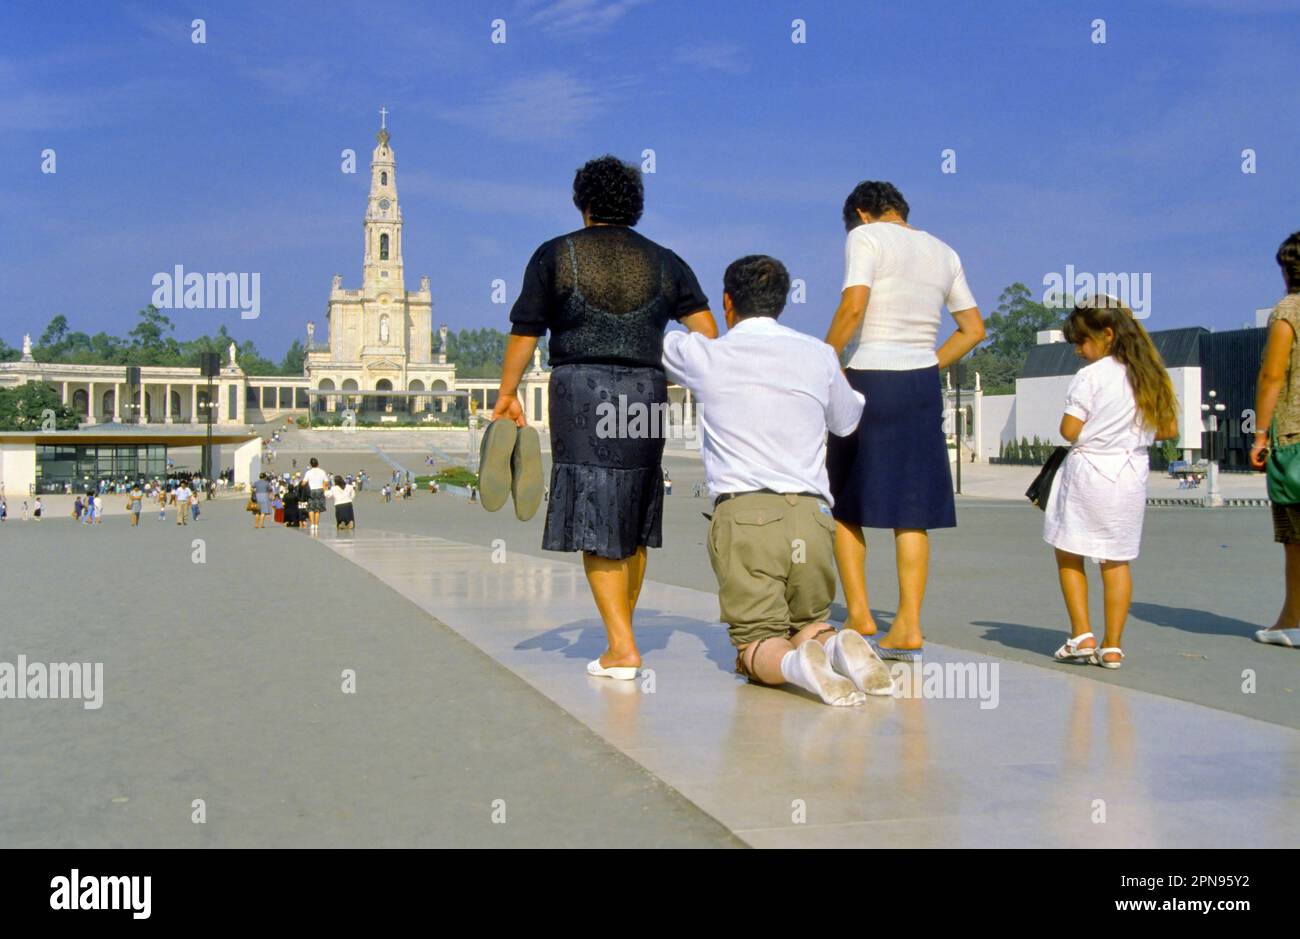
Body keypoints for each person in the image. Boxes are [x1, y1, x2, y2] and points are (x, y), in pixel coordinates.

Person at [494, 154, 717, 680]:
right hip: (644, 390)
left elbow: (526, 331)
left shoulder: (556, 255)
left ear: (584, 203)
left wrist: (507, 394)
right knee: (633, 507)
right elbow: (707, 335)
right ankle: (624, 633)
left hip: (582, 391)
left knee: (596, 507)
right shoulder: (666, 262)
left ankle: (621, 646)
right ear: (635, 206)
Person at [664, 255, 891, 704]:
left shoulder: (706, 354)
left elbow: (662, 338)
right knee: (810, 621)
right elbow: (847, 422)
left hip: (746, 515)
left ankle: (794, 664)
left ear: (728, 301)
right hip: (812, 514)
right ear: (783, 301)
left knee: (757, 641)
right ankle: (835, 645)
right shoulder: (819, 355)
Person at [823, 180, 985, 659]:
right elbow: (973, 328)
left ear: (860, 212)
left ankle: (860, 614)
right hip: (918, 384)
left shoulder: (865, 237)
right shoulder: (943, 251)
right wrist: (930, 362)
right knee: (911, 508)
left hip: (869, 376)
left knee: (844, 502)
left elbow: (854, 306)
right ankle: (908, 624)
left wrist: (824, 357)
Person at [1046, 296, 1179, 669]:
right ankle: (1113, 646)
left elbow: (1069, 430)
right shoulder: (1149, 375)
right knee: (1116, 560)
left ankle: (1082, 634)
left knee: (1068, 550)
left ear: (1107, 334)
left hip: (1089, 472)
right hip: (1130, 474)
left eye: (1082, 341)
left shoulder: (1090, 376)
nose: (1078, 350)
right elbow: (1168, 428)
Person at [1249, 230, 1300, 648]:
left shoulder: (1289, 311)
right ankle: (1289, 619)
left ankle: (1292, 620)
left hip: (1294, 436)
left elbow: (1272, 375)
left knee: (1295, 535)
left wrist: (1260, 434)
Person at [303, 457, 329, 532]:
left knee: (311, 508)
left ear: (311, 464)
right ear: (317, 464)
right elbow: (326, 482)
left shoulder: (308, 472)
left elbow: (304, 482)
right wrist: (324, 489)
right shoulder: (322, 471)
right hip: (320, 490)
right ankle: (316, 525)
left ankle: (312, 525)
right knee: (317, 509)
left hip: (311, 490)